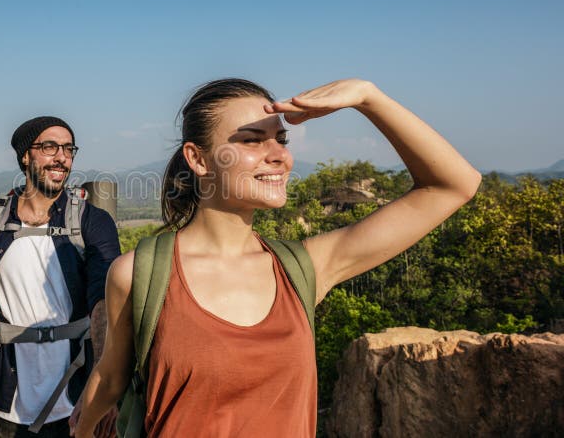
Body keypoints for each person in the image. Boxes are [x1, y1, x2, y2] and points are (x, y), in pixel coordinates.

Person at [72, 78, 482, 437]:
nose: (280, 155)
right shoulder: (139, 274)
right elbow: (111, 377)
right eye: (252, 140)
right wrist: (83, 431)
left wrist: (367, 96)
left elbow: (454, 185)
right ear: (197, 159)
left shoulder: (303, 268)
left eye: (280, 140)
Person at [0, 116, 121, 438]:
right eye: (49, 147)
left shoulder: (92, 221)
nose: (61, 157)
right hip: (11, 399)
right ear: (25, 156)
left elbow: (105, 303)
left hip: (78, 395)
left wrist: (103, 388)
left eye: (68, 149)